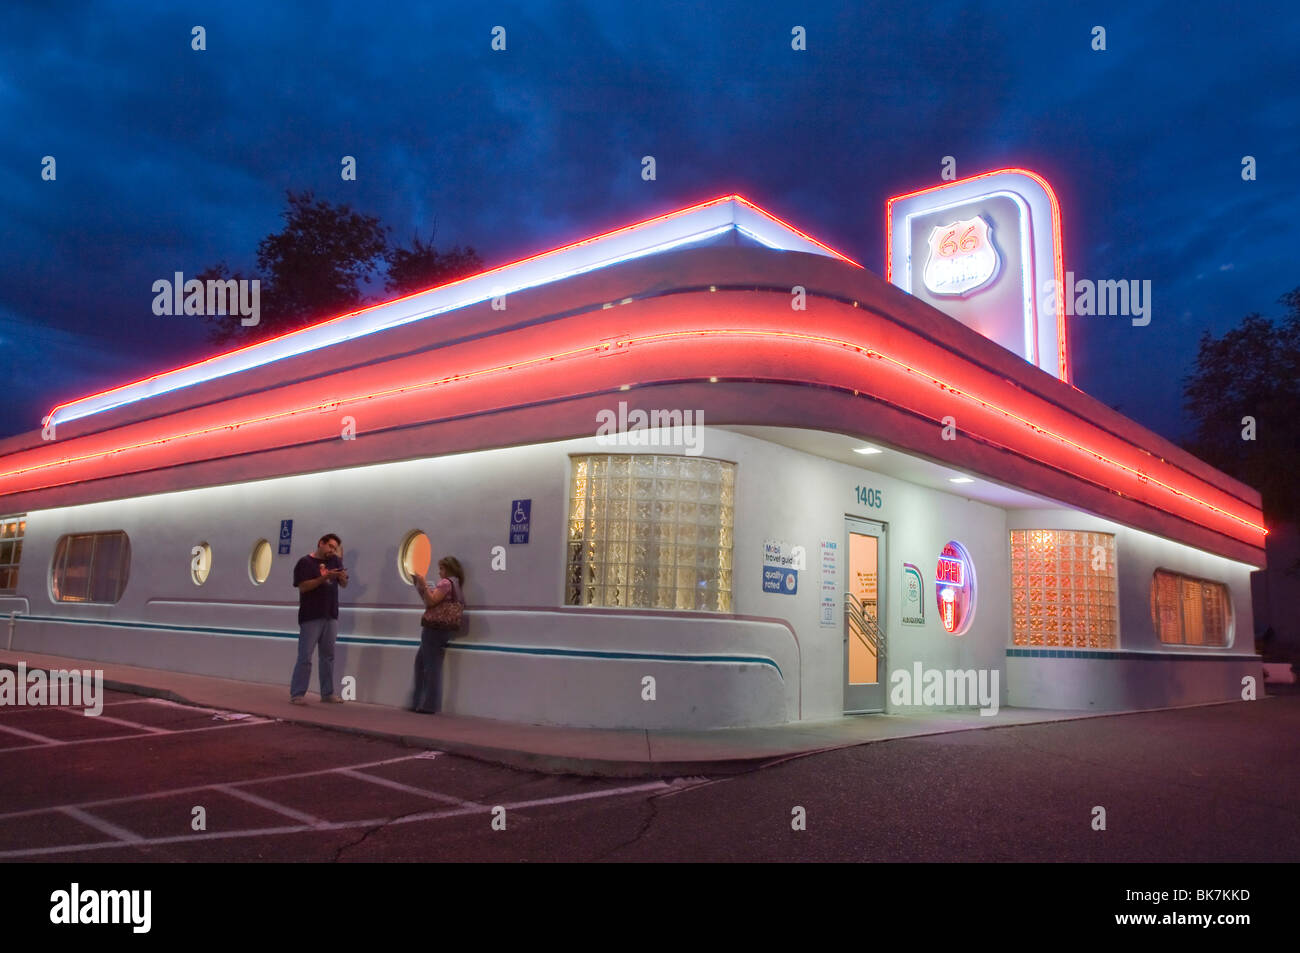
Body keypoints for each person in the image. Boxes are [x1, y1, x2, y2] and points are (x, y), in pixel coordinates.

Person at [289, 533, 349, 704]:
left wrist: (342, 577)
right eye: (330, 546)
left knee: (328, 656)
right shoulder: (305, 563)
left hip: (331, 614)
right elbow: (303, 587)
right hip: (311, 615)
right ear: (320, 543)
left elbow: (344, 584)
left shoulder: (335, 562)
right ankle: (297, 694)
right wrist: (324, 577)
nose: (332, 550)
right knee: (305, 656)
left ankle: (327, 693)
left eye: (335, 548)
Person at [411, 556, 465, 713]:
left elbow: (431, 602)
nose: (439, 571)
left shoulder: (446, 583)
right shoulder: (456, 584)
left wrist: (423, 585)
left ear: (448, 569)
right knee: (422, 663)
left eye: (441, 568)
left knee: (430, 667)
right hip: (445, 629)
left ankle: (428, 704)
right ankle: (418, 701)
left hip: (434, 628)